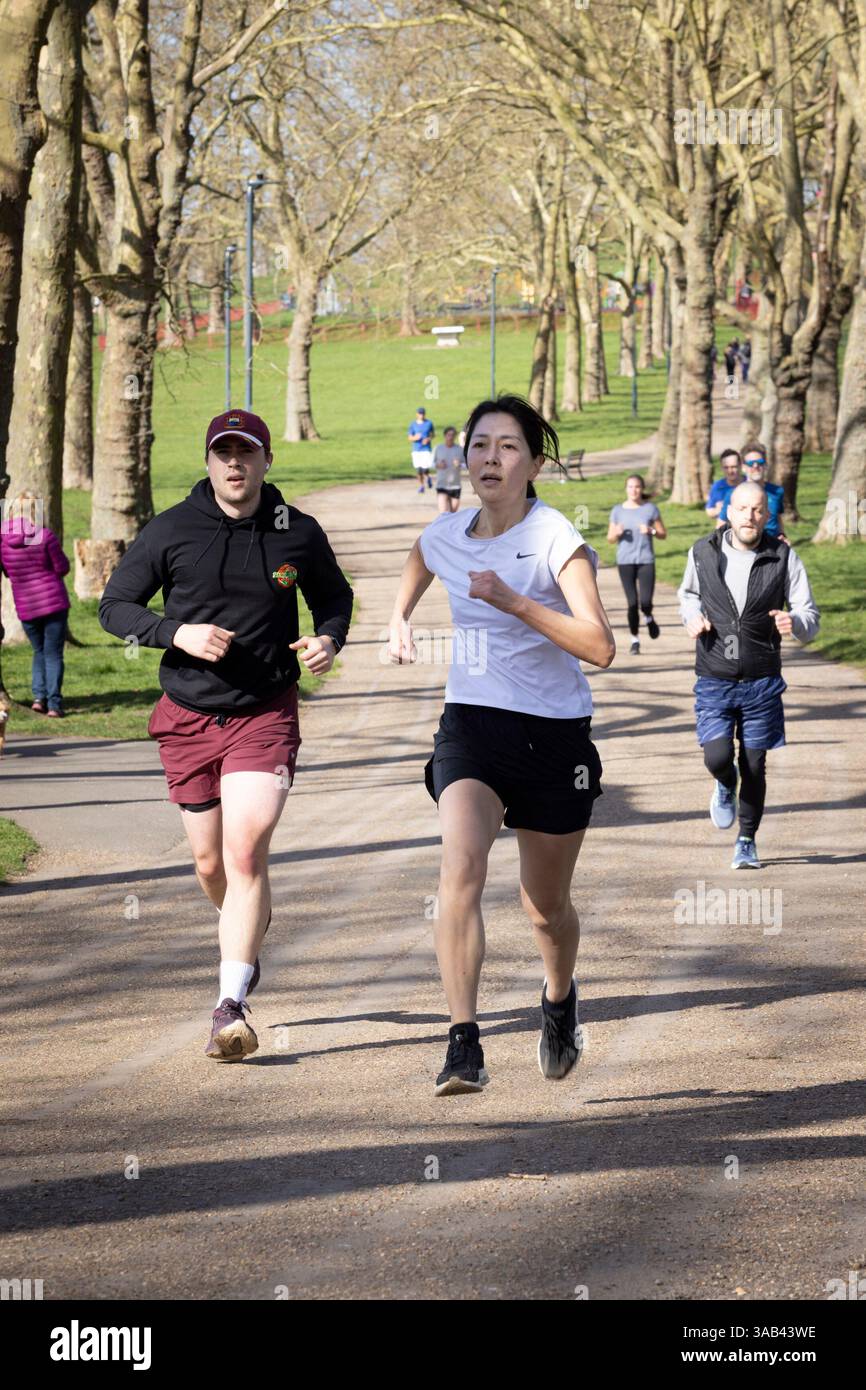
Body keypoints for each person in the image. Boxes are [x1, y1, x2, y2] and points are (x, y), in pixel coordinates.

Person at [99, 408, 353, 1061]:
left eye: (247, 452)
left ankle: (230, 1005)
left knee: (245, 856)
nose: (235, 464)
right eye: (223, 452)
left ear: (267, 461)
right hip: (186, 714)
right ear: (209, 460)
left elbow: (334, 597)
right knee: (211, 865)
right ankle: (242, 937)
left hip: (264, 712)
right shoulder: (172, 530)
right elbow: (115, 606)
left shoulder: (296, 531)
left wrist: (328, 638)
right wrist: (172, 632)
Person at [389, 393, 615, 1096]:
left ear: (533, 462)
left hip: (553, 737)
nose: (490, 458)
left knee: (545, 907)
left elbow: (600, 646)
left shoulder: (555, 537)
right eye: (480, 445)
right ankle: (463, 1042)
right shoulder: (450, 530)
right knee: (460, 868)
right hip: (471, 728)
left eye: (508, 446)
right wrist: (399, 616)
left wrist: (515, 600)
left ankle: (558, 997)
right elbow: (421, 556)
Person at [678, 482, 819, 869]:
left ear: (766, 515)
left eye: (757, 510)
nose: (749, 517)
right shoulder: (702, 552)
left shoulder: (782, 556)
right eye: (742, 508)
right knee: (718, 755)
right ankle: (724, 783)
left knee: (754, 765)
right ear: (728, 511)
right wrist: (691, 616)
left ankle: (746, 840)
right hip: (715, 676)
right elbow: (687, 595)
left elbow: (809, 614)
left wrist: (797, 623)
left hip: (762, 682)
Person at [0, 490, 70, 718]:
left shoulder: (3, 542)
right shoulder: (45, 535)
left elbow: (8, 573)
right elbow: (62, 568)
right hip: (53, 604)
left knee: (38, 651)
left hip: (26, 605)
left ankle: (38, 697)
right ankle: (54, 704)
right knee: (53, 653)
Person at [607, 474, 667, 655]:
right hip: (625, 561)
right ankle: (635, 640)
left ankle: (648, 617)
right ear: (626, 489)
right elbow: (609, 538)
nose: (634, 490)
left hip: (646, 560)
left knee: (646, 601)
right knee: (632, 603)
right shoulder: (617, 510)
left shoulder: (650, 509)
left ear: (642, 489)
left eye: (637, 487)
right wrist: (616, 533)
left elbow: (663, 534)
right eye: (631, 487)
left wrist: (652, 530)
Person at [741, 442, 786, 541]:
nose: (756, 466)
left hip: (773, 546)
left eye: (760, 462)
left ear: (765, 465)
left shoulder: (777, 491)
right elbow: (721, 525)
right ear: (743, 467)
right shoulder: (734, 494)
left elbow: (777, 517)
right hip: (748, 545)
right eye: (750, 463)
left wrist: (782, 534)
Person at [705, 449, 743, 529]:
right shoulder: (717, 486)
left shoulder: (749, 484)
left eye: (733, 467)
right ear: (722, 468)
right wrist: (721, 509)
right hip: (725, 530)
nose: (730, 471)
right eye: (726, 467)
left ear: (740, 465)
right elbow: (709, 511)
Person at [433, 426, 466, 513]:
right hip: (442, 485)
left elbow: (467, 465)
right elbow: (431, 464)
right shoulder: (438, 448)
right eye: (448, 435)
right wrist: (438, 465)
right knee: (443, 513)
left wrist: (460, 464)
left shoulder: (460, 450)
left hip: (455, 485)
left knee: (453, 513)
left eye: (453, 435)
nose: (450, 437)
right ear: (445, 436)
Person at [408, 407, 435, 492]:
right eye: (420, 413)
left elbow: (432, 435)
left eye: (422, 413)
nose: (421, 415)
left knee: (425, 468)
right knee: (419, 470)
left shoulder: (429, 423)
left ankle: (428, 478)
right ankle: (421, 486)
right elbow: (409, 437)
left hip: (426, 449)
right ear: (417, 414)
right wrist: (415, 438)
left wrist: (428, 439)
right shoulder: (413, 424)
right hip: (416, 450)